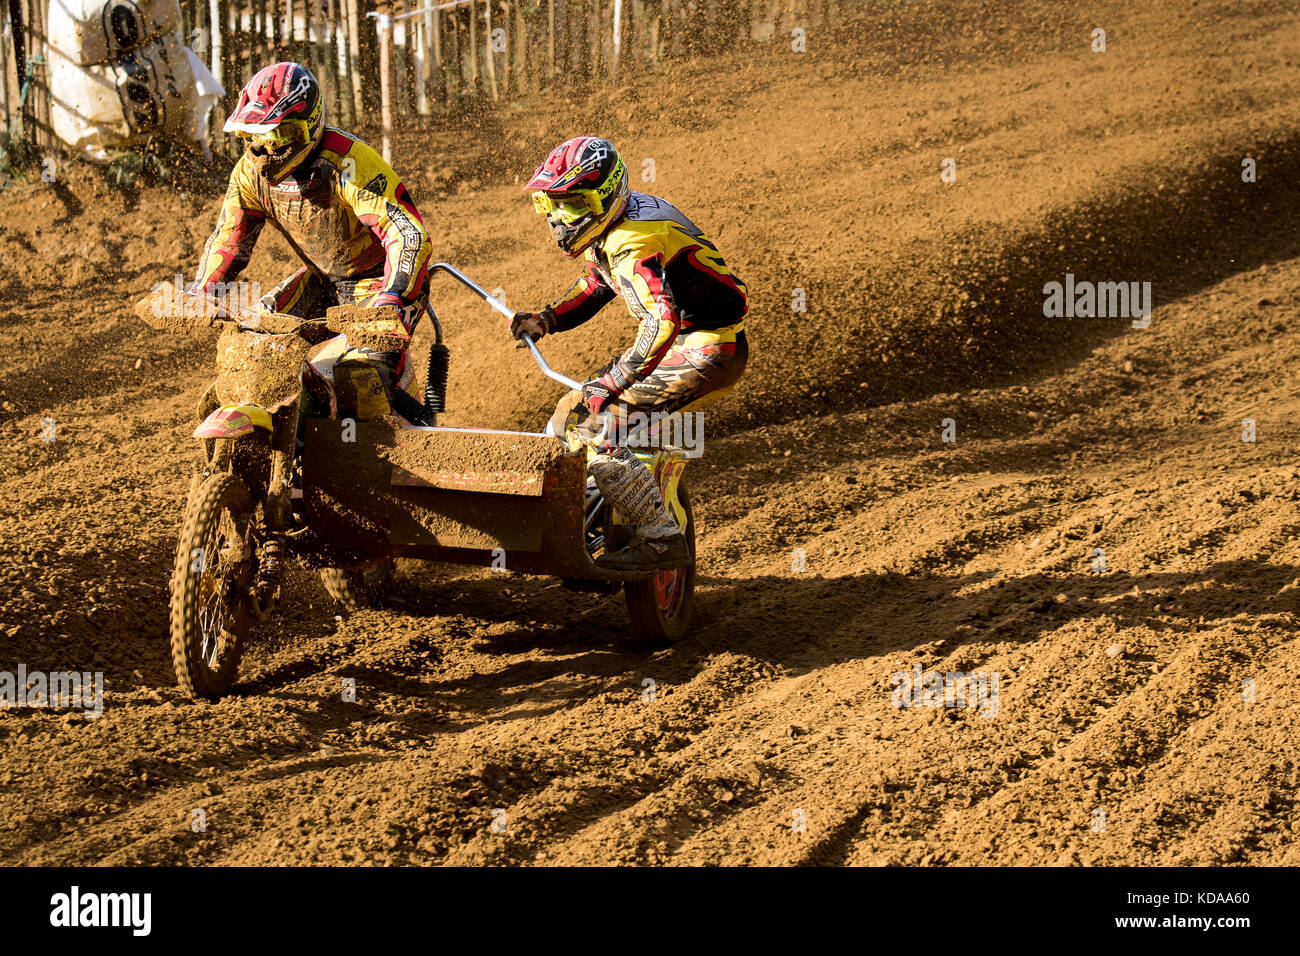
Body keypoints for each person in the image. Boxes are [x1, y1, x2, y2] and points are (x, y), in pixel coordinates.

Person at [510, 136, 749, 571]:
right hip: (694, 344)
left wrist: (615, 380)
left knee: (596, 430)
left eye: (574, 205)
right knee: (568, 413)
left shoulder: (632, 240)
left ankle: (661, 540)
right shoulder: (618, 220)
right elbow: (597, 282)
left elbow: (661, 322)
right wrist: (546, 319)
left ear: (605, 196)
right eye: (553, 205)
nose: (561, 219)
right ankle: (584, 518)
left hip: (707, 349)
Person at [191, 62, 432, 415]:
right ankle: (288, 415)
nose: (265, 152)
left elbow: (407, 234)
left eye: (279, 137)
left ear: (309, 126)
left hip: (384, 283)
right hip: (322, 281)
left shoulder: (348, 161)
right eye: (254, 138)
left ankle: (400, 425)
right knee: (250, 343)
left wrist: (392, 297)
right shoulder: (248, 175)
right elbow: (229, 238)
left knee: (361, 377)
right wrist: (203, 290)